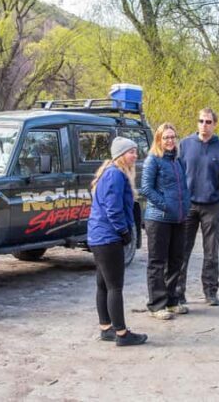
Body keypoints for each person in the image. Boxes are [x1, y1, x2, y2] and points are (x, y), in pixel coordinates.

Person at [87, 136, 148, 347]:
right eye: (131, 151)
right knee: (115, 287)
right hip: (107, 237)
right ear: (121, 155)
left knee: (103, 284)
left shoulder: (109, 171)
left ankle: (106, 328)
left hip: (98, 236)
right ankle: (122, 333)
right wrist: (123, 231)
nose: (135, 155)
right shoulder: (116, 175)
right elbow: (113, 208)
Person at [177, 108, 219, 306]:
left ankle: (210, 291)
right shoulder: (184, 145)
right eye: (201, 121)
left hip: (213, 205)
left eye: (208, 122)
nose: (204, 125)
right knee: (182, 250)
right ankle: (178, 292)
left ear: (215, 124)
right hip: (188, 205)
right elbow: (177, 174)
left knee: (211, 251)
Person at [141, 123, 191, 320]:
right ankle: (156, 304)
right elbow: (146, 188)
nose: (170, 141)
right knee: (157, 262)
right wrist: (165, 205)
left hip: (178, 218)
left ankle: (172, 300)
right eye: (166, 137)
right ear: (159, 140)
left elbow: (183, 187)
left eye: (173, 137)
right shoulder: (153, 160)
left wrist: (185, 204)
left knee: (176, 260)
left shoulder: (177, 161)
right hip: (158, 218)